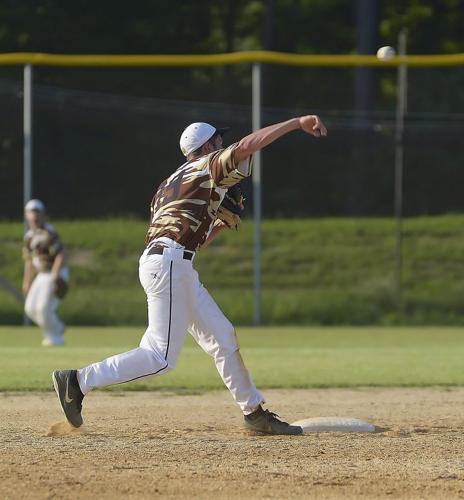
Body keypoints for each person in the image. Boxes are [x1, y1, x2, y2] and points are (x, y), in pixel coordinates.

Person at [52, 116, 328, 435]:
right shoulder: (208, 164)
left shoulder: (168, 184)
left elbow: (187, 239)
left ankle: (254, 412)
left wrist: (218, 226)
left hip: (174, 263)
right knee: (159, 357)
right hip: (170, 264)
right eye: (218, 141)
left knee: (222, 336)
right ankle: (78, 381)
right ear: (207, 146)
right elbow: (248, 146)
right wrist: (296, 123)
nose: (222, 145)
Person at [22, 199, 70, 347]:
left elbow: (61, 254)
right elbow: (29, 261)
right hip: (42, 275)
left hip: (55, 272)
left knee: (43, 309)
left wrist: (55, 274)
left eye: (37, 211)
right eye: (31, 212)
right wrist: (27, 281)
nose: (34, 215)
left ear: (42, 214)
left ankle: (55, 338)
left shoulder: (49, 232)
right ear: (27, 215)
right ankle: (58, 328)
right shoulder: (29, 237)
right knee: (30, 309)